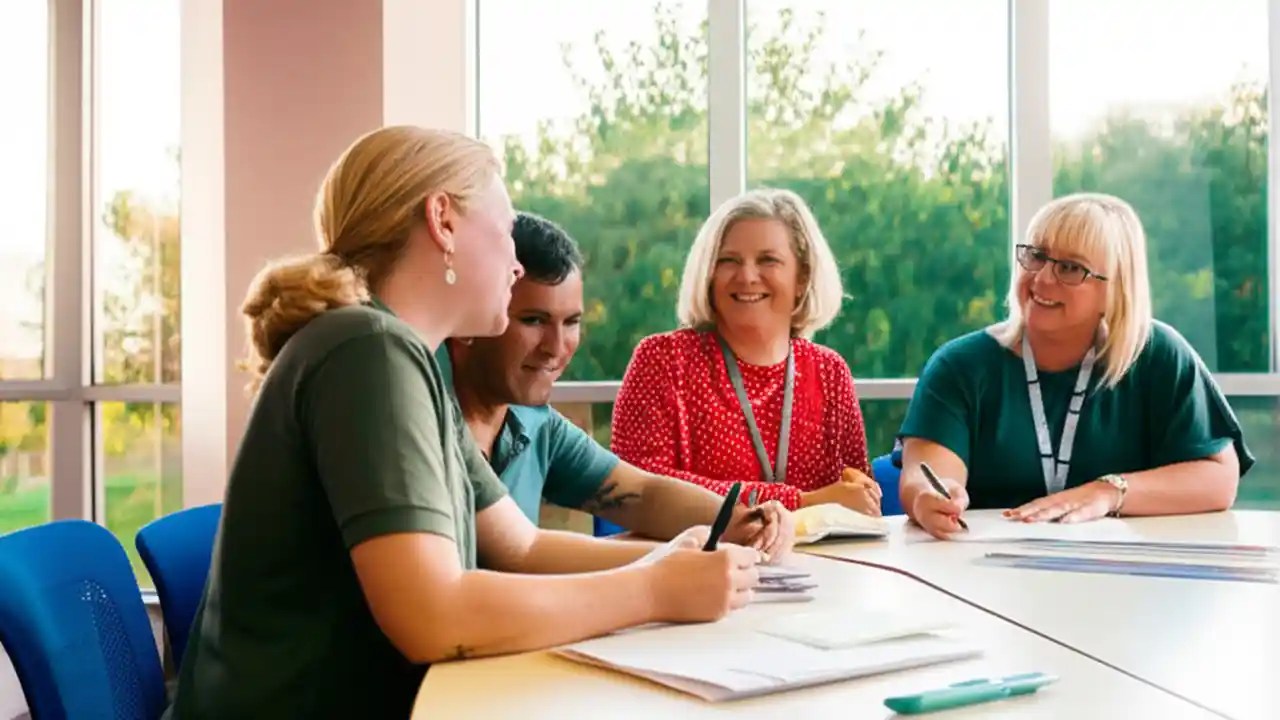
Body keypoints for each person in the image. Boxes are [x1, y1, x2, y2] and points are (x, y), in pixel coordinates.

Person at [166, 127, 764, 719]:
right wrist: (655, 591)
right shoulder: (367, 350)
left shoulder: (403, 359)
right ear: (443, 220)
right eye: (504, 232)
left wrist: (668, 563)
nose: (512, 263)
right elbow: (433, 616)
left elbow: (520, 547)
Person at [899, 192, 1255, 540]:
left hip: (1128, 578)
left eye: (1070, 268)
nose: (1041, 279)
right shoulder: (960, 365)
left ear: (1115, 287)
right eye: (1036, 256)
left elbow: (1218, 480)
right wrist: (931, 496)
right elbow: (924, 474)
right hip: (983, 574)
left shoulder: (1159, 355)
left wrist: (1109, 491)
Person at [443, 211, 794, 552]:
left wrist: (744, 519)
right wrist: (666, 564)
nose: (556, 347)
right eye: (533, 320)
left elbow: (642, 493)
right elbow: (521, 555)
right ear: (474, 313)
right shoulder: (425, 421)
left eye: (571, 322)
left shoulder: (536, 423)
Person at [611, 188, 880, 515]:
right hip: (697, 562)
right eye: (728, 261)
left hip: (816, 564)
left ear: (802, 277)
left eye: (768, 260)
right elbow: (638, 487)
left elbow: (854, 498)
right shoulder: (663, 360)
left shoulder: (830, 372)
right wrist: (801, 502)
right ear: (709, 274)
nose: (747, 276)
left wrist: (863, 495)